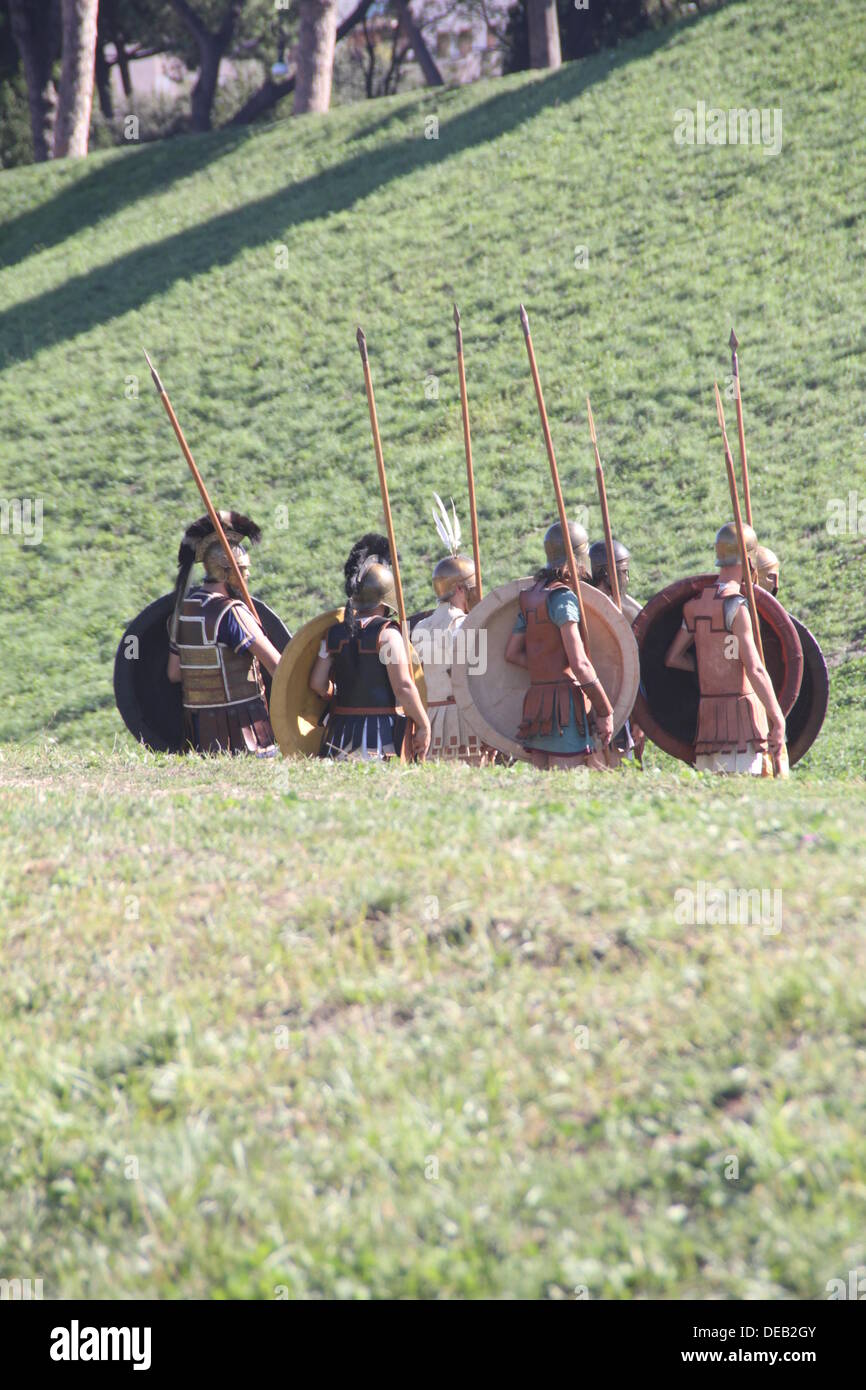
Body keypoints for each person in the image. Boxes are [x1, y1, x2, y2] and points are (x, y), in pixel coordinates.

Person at [664, 523, 785, 775]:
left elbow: (673, 658)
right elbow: (755, 669)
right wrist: (777, 716)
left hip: (708, 727)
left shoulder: (694, 606)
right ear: (750, 559)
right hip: (741, 727)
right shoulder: (737, 606)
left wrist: (707, 665)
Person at [504, 519, 616, 769]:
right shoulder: (563, 598)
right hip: (564, 710)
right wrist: (605, 710)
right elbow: (580, 663)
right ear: (579, 557)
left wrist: (545, 669)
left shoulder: (531, 596)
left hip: (537, 706)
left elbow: (512, 653)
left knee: (546, 791)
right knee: (567, 791)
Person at [167, 511, 281, 755]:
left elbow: (174, 673)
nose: (247, 577)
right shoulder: (231, 613)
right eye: (244, 570)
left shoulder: (183, 610)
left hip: (201, 740)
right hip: (244, 733)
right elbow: (277, 666)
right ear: (229, 572)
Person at [309, 555, 430, 761]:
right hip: (381, 738)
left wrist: (337, 693)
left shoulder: (333, 634)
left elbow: (318, 684)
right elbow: (403, 686)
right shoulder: (388, 634)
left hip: (339, 736)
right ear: (387, 598)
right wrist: (424, 725)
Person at [411, 495, 490, 763]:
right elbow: (481, 679)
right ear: (459, 589)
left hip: (432, 720)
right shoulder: (469, 624)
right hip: (467, 720)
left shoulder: (420, 627)